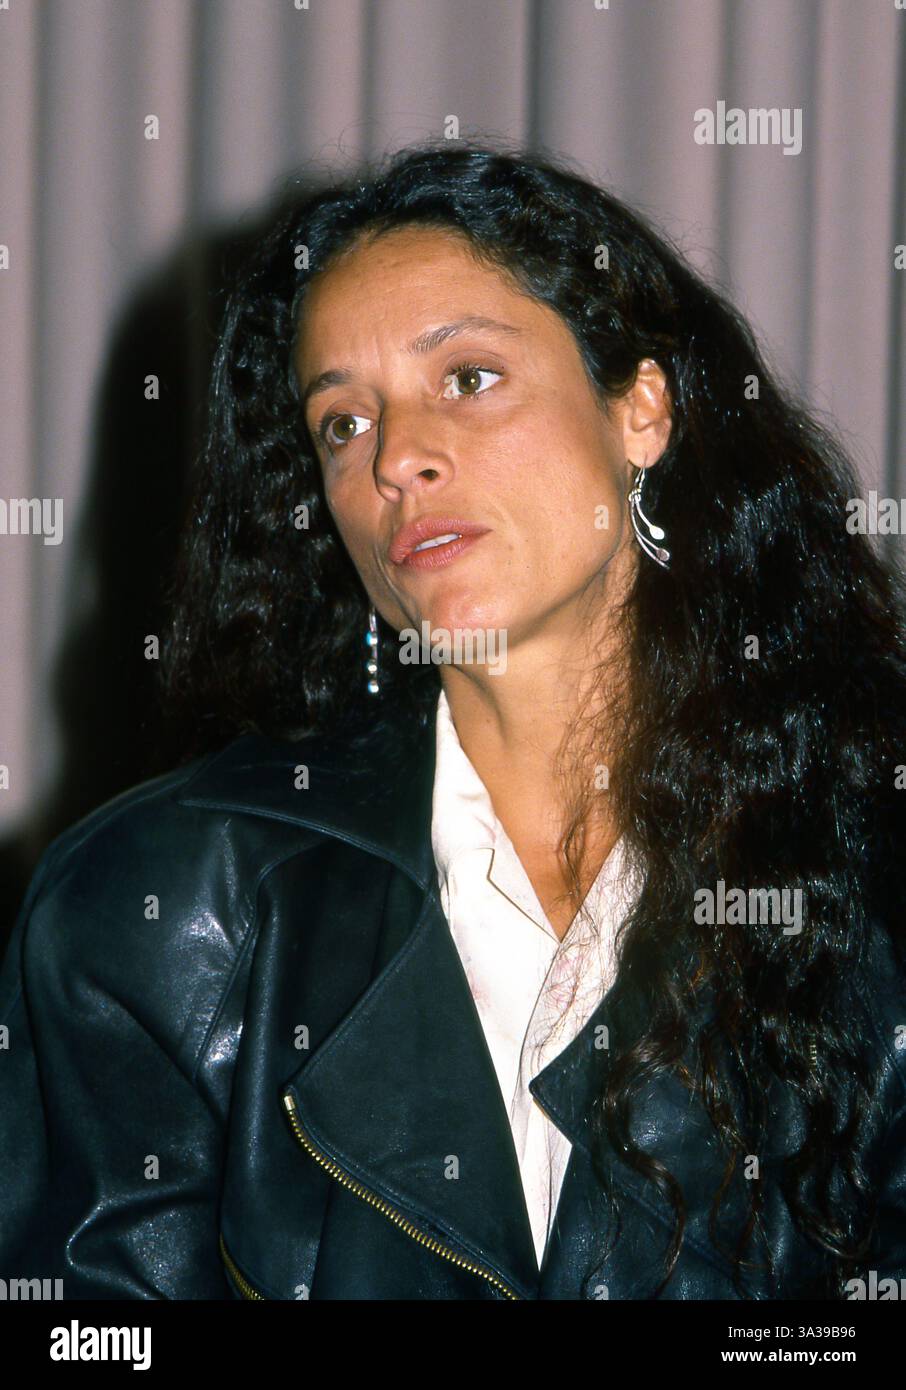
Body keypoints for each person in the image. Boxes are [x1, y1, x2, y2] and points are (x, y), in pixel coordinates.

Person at [1, 139, 905, 1301]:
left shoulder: (865, 885)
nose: (398, 460)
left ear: (642, 410)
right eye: (343, 423)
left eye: (466, 379)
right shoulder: (160, 906)